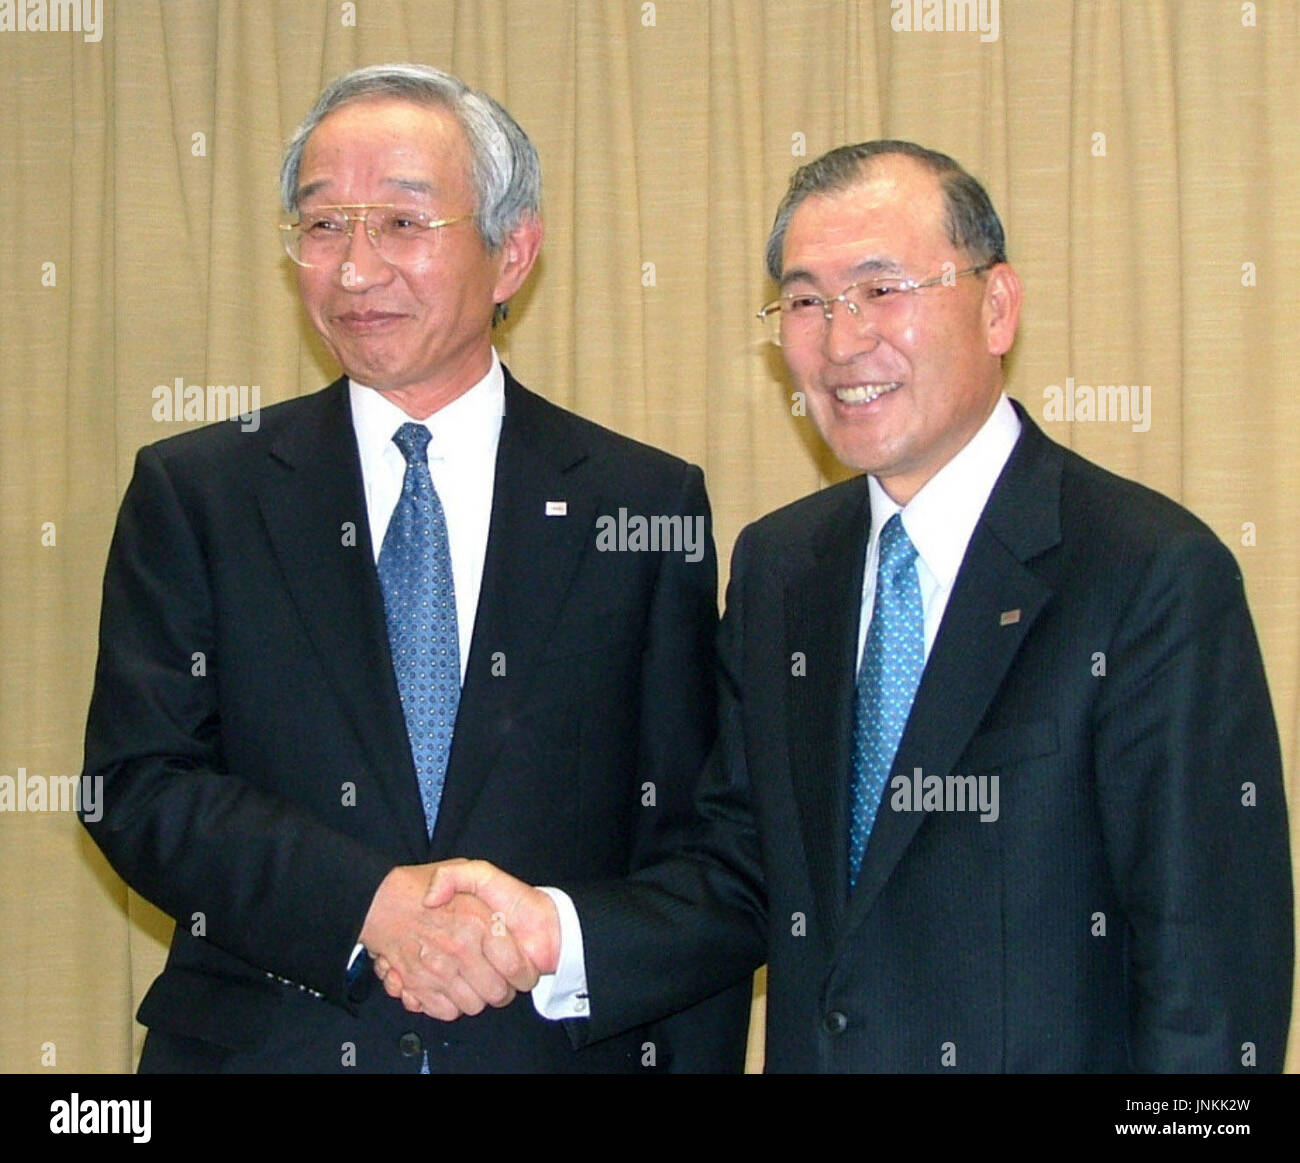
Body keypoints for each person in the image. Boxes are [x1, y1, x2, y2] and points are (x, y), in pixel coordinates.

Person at [409, 140, 1295, 1072]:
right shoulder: (784, 568)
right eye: (805, 302)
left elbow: (1210, 986)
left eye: (884, 289)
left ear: (997, 307)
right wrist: (558, 932)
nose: (842, 340)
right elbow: (745, 869)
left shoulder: (1147, 572)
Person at [79, 62, 751, 1073]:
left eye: (400, 223)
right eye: (320, 225)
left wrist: (551, 936)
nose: (353, 269)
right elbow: (135, 784)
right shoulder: (200, 490)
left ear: (512, 252)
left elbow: (699, 848)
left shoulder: (643, 504)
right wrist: (367, 905)